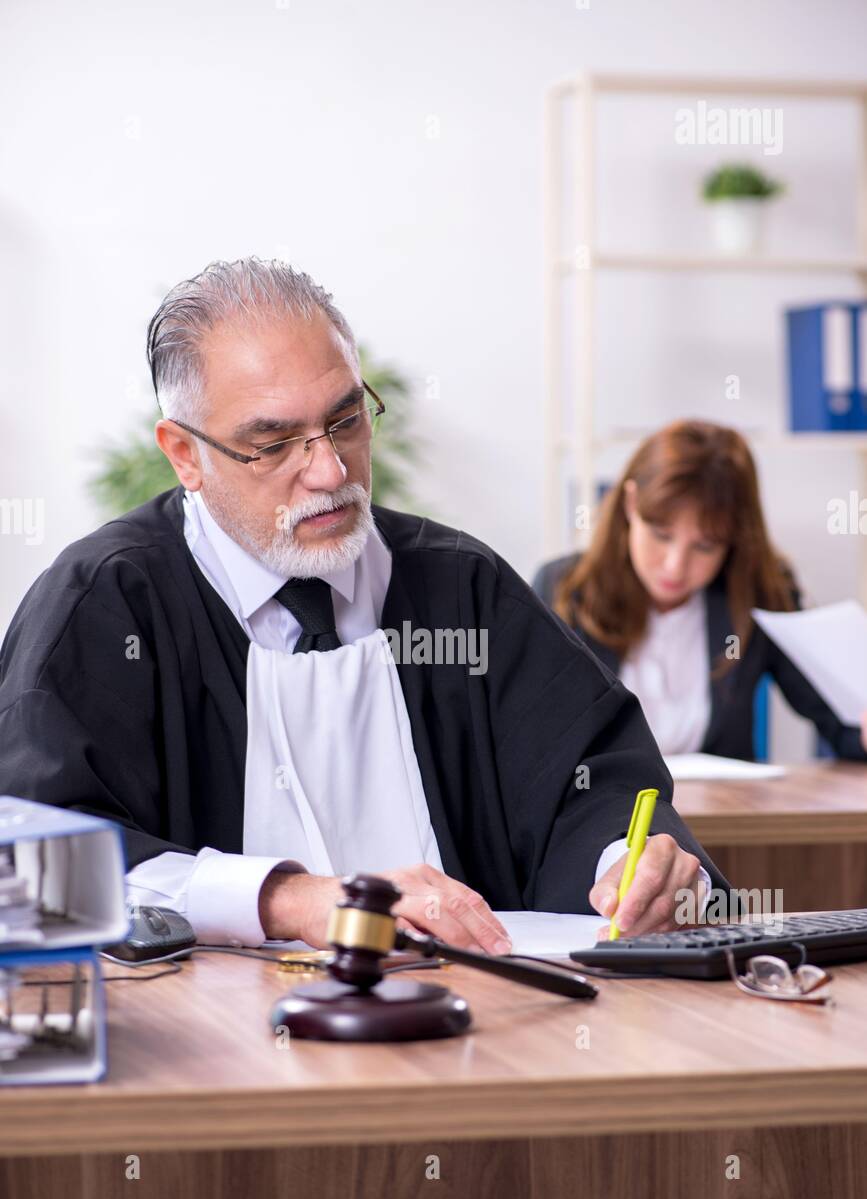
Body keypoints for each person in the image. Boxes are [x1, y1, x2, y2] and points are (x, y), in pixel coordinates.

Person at [0, 258, 725, 950]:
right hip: (208, 1049)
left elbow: (591, 780)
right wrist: (291, 900)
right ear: (184, 454)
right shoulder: (104, 605)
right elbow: (38, 864)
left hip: (481, 1027)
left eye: (346, 419)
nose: (330, 470)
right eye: (275, 443)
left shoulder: (463, 590)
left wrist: (626, 868)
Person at [533, 420, 867, 762]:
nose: (675, 566)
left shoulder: (761, 592)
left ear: (734, 539)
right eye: (661, 535)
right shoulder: (562, 588)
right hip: (599, 812)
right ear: (631, 504)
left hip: (721, 812)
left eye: (705, 547)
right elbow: (527, 736)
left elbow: (839, 724)